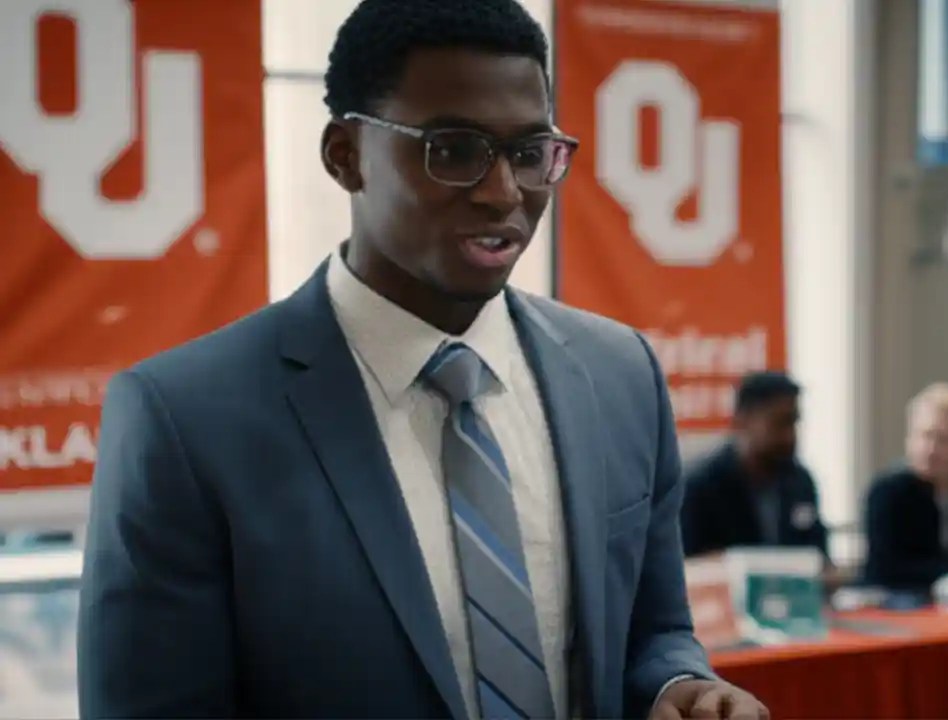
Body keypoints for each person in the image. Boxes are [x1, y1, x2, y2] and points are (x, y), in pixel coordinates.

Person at [76, 2, 767, 719]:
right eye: (455, 151)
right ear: (345, 155)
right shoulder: (186, 421)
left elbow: (653, 630)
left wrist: (677, 686)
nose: (504, 193)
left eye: (529, 152)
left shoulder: (619, 375)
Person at [860, 383, 948, 597]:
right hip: (897, 602)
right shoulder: (888, 492)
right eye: (924, 436)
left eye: (944, 440)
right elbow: (886, 569)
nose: (931, 449)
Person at [680, 372, 828, 559]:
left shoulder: (800, 482)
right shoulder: (702, 486)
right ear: (744, 420)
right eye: (779, 423)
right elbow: (689, 562)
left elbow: (819, 555)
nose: (790, 436)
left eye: (794, 423)